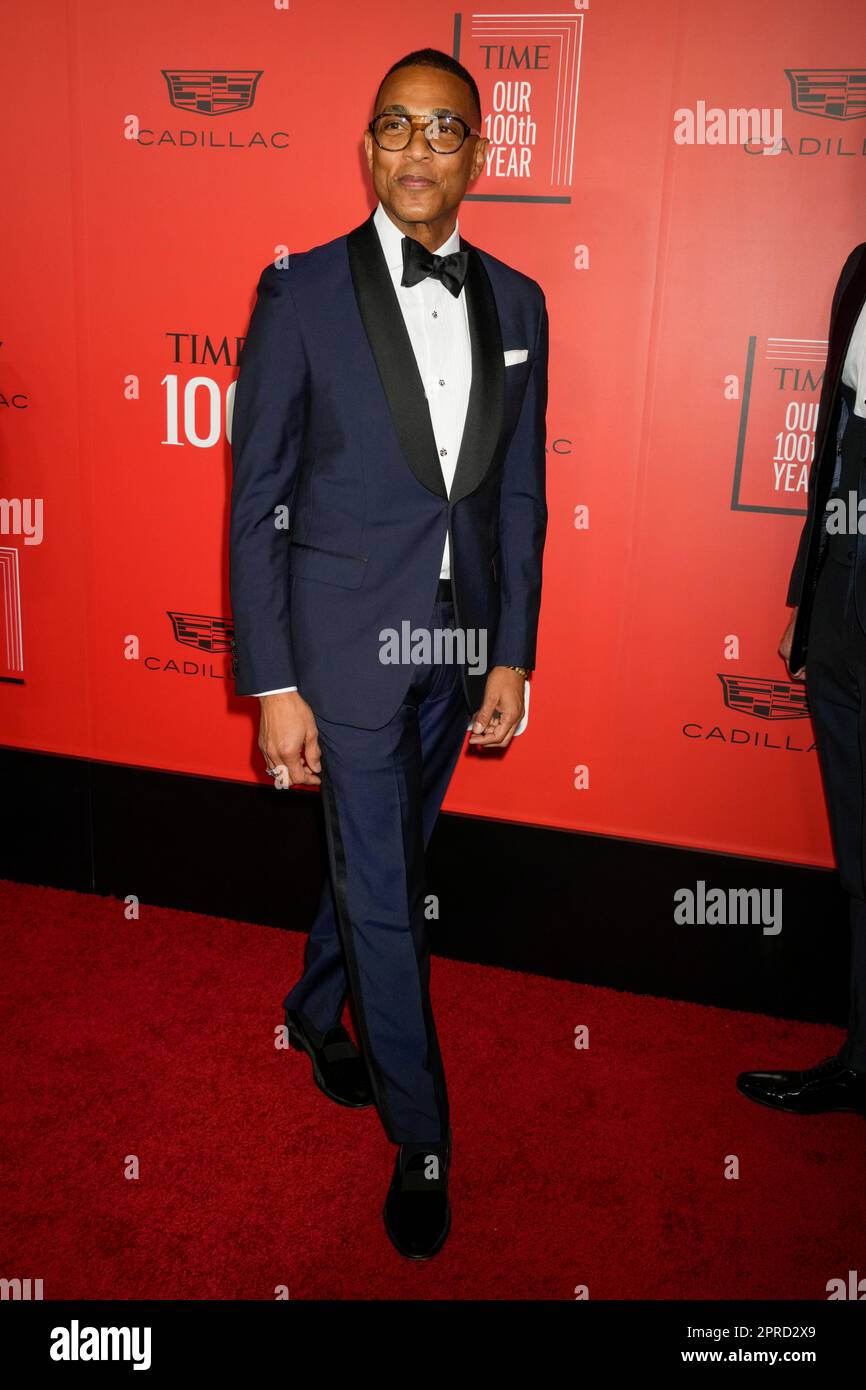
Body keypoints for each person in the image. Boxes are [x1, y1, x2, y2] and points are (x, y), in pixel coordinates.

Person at [229, 47, 549, 1257]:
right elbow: (257, 494)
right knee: (389, 893)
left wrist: (511, 652)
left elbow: (514, 495)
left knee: (383, 860)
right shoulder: (298, 293)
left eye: (446, 130)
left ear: (479, 151)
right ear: (367, 149)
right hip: (345, 656)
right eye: (397, 128)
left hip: (456, 650)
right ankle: (423, 1137)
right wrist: (272, 680)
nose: (420, 149)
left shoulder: (518, 303)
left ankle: (317, 1007)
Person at [738, 240, 866, 1118]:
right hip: (843, 593)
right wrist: (804, 589)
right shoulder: (861, 266)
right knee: (859, 859)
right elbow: (833, 432)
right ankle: (865, 1060)